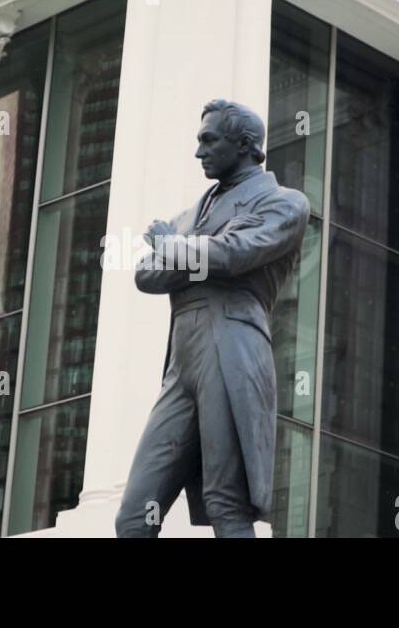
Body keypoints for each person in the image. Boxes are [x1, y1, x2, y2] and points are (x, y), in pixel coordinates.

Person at [115, 99, 311, 538]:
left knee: (227, 503)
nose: (198, 152)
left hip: (231, 345)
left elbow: (235, 255)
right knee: (133, 515)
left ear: (244, 145)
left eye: (208, 140)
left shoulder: (284, 203)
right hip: (182, 362)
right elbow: (148, 275)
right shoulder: (187, 218)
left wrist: (176, 248)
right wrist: (187, 251)